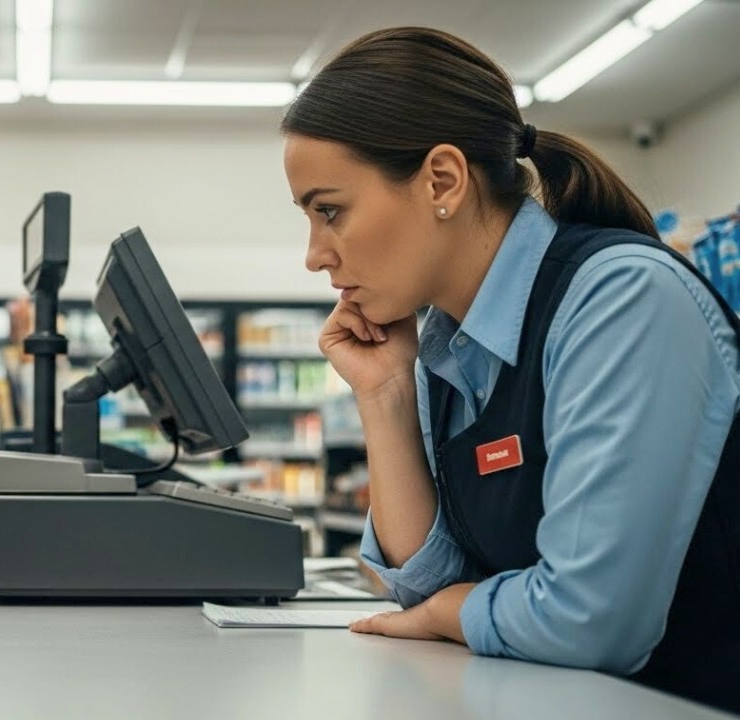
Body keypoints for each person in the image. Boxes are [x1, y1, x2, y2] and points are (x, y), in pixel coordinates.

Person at [281, 28, 739, 713]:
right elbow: (425, 584)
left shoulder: (620, 301)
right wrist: (385, 394)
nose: (315, 255)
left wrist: (448, 614)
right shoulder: (446, 339)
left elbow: (589, 621)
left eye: (330, 211)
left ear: (443, 179)